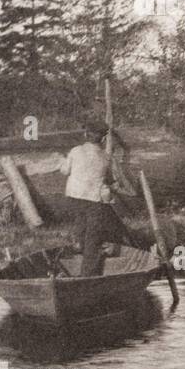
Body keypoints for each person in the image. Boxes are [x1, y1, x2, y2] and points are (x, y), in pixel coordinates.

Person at [60, 118, 129, 276]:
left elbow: (64, 171)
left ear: (85, 135)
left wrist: (63, 161)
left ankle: (78, 247)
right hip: (93, 200)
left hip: (73, 197)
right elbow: (112, 180)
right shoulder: (106, 157)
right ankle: (87, 274)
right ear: (103, 139)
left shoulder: (75, 151)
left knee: (81, 225)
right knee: (94, 237)